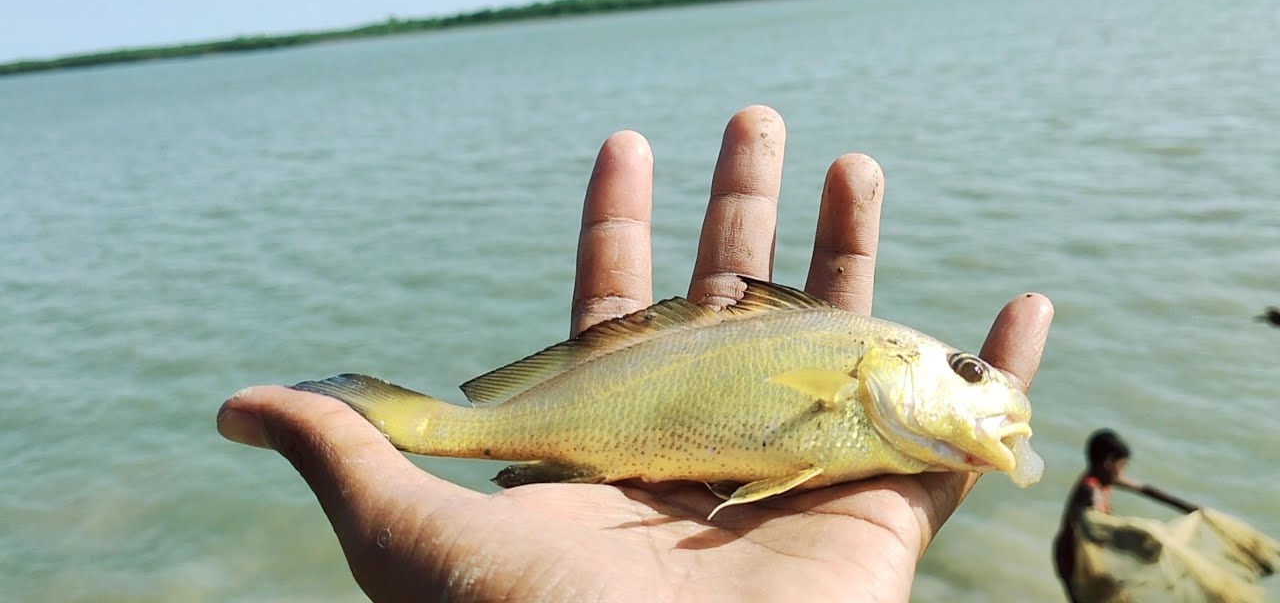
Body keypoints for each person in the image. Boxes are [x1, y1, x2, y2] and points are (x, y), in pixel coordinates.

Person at [217, 105, 1055, 603]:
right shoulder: (856, 365)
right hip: (609, 418)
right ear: (874, 368)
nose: (985, 387)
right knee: (461, 428)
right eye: (966, 371)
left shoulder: (880, 419)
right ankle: (445, 425)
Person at [1053, 429, 1199, 602]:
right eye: (1122, 466)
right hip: (1072, 560)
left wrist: (1191, 508)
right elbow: (1096, 529)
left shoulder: (1102, 479)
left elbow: (1146, 489)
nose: (1122, 473)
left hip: (1084, 555)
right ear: (1108, 463)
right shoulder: (1090, 492)